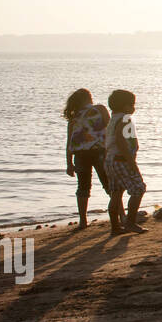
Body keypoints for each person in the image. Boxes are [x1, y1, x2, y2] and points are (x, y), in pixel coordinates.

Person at [63, 88, 110, 230]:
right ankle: (121, 215)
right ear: (89, 98)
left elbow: (69, 143)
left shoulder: (74, 117)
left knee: (83, 188)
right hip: (100, 151)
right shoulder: (100, 109)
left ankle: (83, 221)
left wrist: (69, 163)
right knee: (109, 185)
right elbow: (110, 128)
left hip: (80, 154)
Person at [104, 89, 146, 235]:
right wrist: (131, 161)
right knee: (138, 188)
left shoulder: (113, 118)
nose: (134, 108)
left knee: (116, 192)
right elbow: (121, 140)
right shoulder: (125, 119)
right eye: (132, 105)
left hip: (110, 159)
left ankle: (115, 227)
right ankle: (130, 222)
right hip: (121, 160)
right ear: (124, 106)